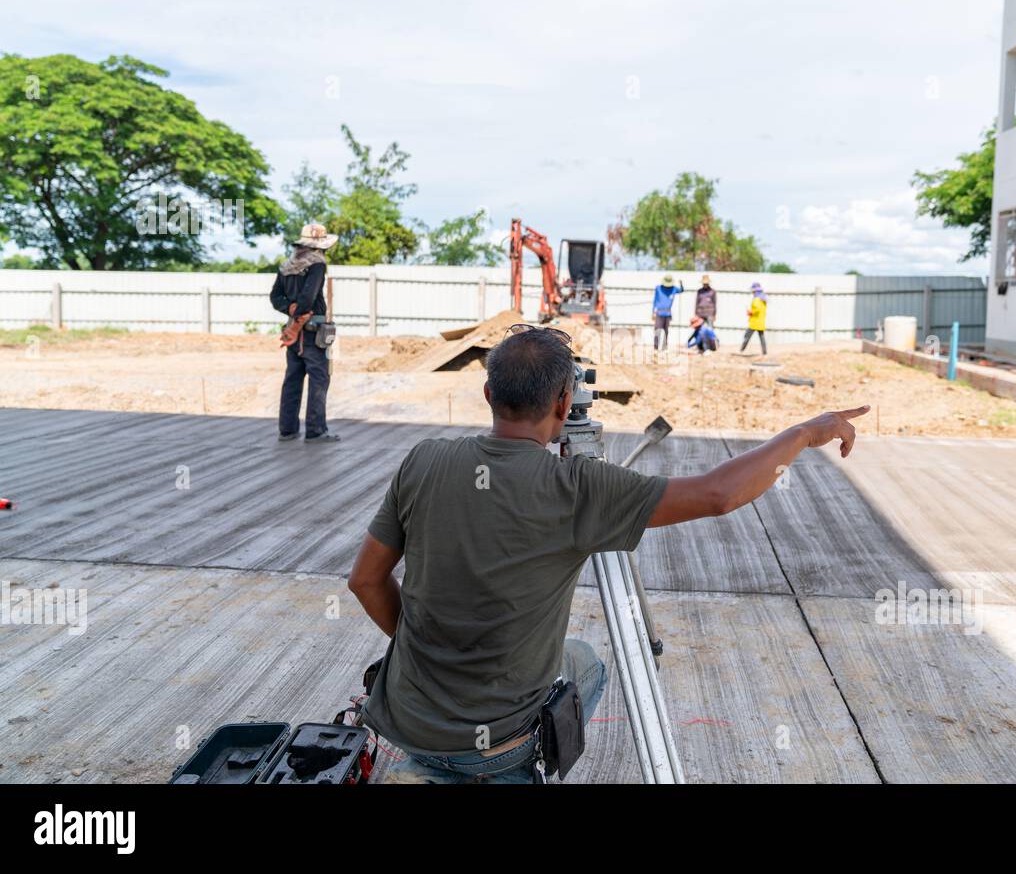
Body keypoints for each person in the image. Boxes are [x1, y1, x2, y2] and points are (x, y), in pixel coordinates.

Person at [347, 324, 869, 783]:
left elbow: (366, 581)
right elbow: (718, 494)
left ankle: (422, 769)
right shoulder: (580, 486)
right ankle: (489, 771)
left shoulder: (425, 460)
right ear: (562, 401)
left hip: (406, 716)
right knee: (590, 666)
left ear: (488, 393)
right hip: (493, 744)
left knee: (577, 658)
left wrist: (432, 653)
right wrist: (804, 433)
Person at [270, 223, 339, 443]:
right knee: (319, 378)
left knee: (292, 378)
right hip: (312, 331)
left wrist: (289, 309)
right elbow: (308, 298)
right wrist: (300, 310)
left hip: (293, 331)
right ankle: (316, 430)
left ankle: (287, 430)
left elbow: (275, 297)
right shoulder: (317, 264)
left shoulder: (286, 266)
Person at [651, 274, 683, 351]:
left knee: (666, 331)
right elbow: (655, 300)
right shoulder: (658, 288)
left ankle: (664, 347)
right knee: (657, 330)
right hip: (659, 313)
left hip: (668, 313)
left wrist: (681, 284)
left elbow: (681, 290)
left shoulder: (674, 289)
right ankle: (656, 347)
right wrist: (653, 312)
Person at [740, 281, 768, 355]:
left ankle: (742, 349)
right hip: (761, 321)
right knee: (761, 337)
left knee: (747, 336)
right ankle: (764, 352)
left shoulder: (756, 299)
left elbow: (757, 309)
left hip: (755, 322)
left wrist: (750, 312)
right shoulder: (763, 299)